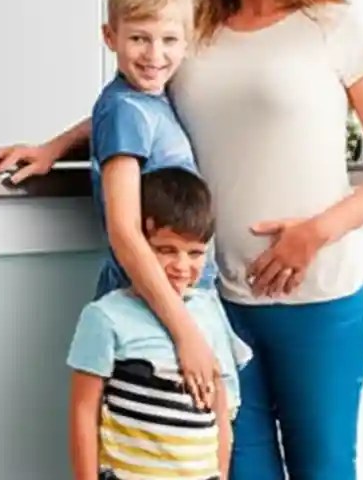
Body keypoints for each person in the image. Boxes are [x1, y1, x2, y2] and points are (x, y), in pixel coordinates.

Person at [0, 0, 363, 479]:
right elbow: (140, 102)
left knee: (323, 470)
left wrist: (314, 233)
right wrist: (56, 146)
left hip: (318, 299)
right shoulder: (198, 29)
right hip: (215, 302)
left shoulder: (334, 27)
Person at [87, 0, 222, 410]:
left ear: (187, 42)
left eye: (169, 40)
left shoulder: (150, 98)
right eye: (139, 39)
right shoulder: (126, 109)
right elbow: (125, 232)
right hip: (153, 313)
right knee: (162, 438)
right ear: (110, 37)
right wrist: (186, 333)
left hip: (176, 300)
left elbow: (119, 120)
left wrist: (56, 145)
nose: (154, 54)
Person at [68, 168, 250, 480]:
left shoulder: (208, 312)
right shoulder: (106, 317)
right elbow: (84, 410)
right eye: (166, 250)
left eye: (195, 253)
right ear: (138, 245)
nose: (182, 266)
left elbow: (220, 402)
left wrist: (220, 473)